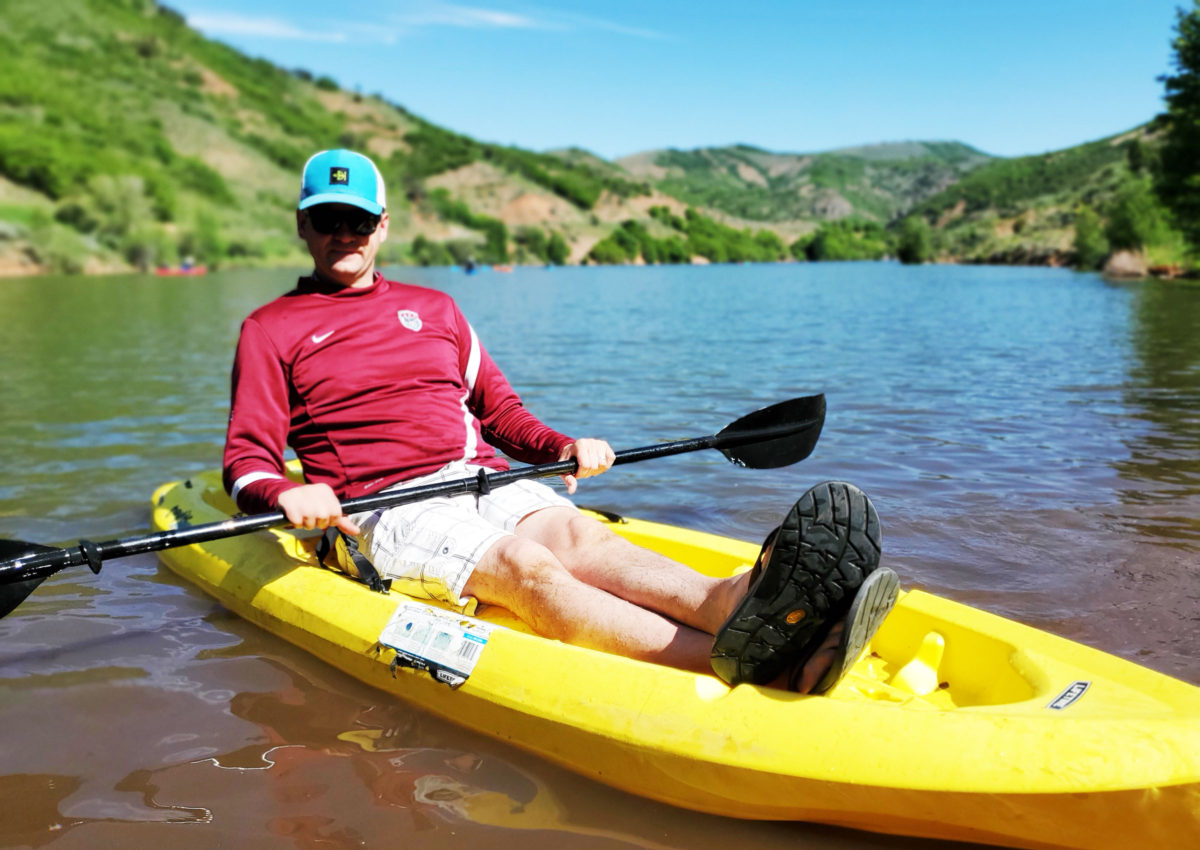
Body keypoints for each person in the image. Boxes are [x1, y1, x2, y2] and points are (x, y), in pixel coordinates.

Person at [222, 148, 898, 693]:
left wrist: (564, 446)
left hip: (476, 479)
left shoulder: (438, 309)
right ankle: (755, 665)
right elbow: (246, 460)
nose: (345, 233)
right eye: (329, 218)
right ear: (303, 224)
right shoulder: (271, 329)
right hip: (383, 504)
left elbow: (500, 413)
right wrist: (285, 492)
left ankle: (733, 603)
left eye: (359, 220)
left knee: (581, 538)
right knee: (526, 567)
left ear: (384, 225)